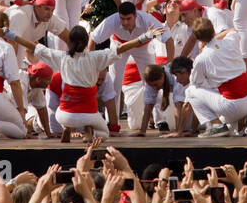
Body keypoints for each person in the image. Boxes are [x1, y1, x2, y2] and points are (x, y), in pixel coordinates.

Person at [23, 25, 160, 142]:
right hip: (89, 114)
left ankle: (67, 127)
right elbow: (122, 48)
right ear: (86, 41)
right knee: (104, 134)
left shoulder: (62, 57)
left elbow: (34, 47)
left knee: (61, 110)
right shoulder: (95, 57)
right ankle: (89, 131)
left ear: (69, 42)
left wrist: (10, 34)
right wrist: (145, 37)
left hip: (64, 115)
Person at [91, 1, 174, 131]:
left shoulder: (146, 18)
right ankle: (111, 122)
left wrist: (169, 64)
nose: (124, 23)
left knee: (152, 80)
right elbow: (93, 39)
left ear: (135, 15)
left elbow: (168, 39)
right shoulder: (112, 20)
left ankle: (161, 120)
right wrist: (94, 65)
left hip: (143, 47)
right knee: (114, 83)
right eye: (122, 19)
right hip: (119, 46)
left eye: (128, 19)